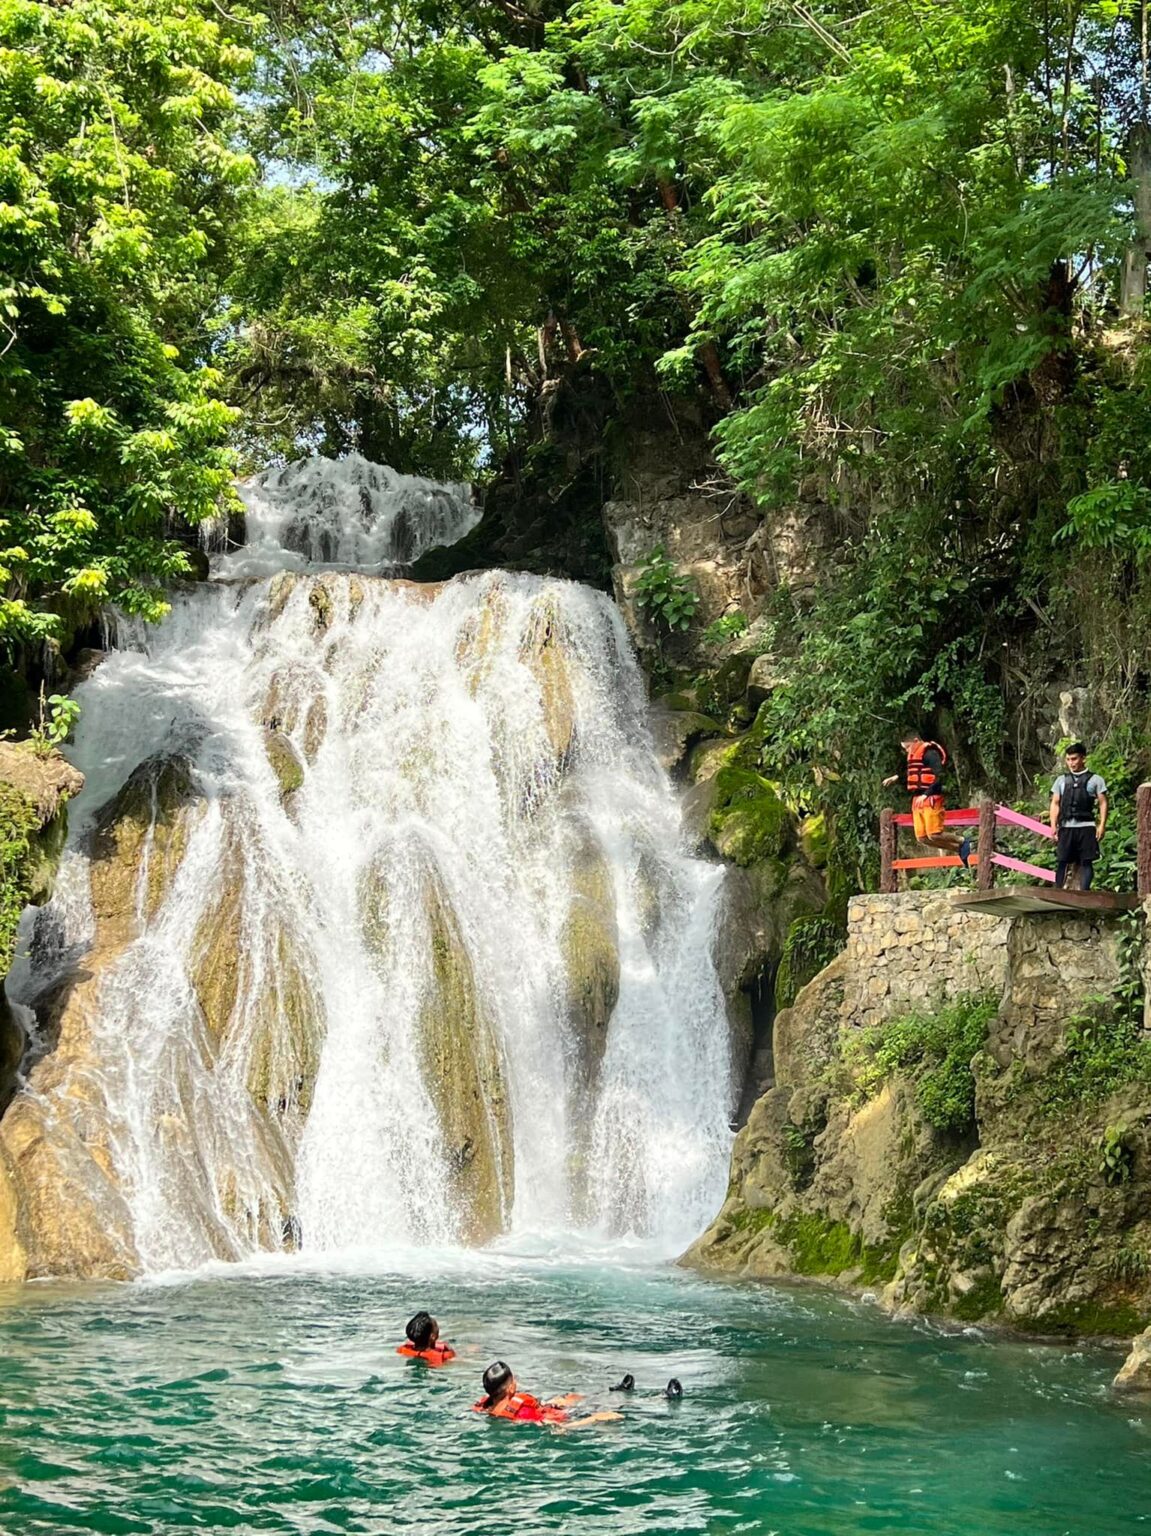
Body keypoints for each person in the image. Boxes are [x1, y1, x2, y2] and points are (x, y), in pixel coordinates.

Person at [883, 730, 972, 867]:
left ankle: (962, 840)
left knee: (934, 834)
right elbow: (915, 771)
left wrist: (926, 794)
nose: (907, 751)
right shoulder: (914, 757)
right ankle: (958, 849)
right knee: (922, 838)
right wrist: (896, 777)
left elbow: (940, 776)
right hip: (918, 800)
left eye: (907, 747)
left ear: (915, 741)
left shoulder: (930, 753)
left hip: (931, 798)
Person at [473, 1361, 622, 1429]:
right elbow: (560, 1427)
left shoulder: (486, 1406)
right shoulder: (524, 1413)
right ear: (511, 1388)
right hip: (564, 1415)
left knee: (567, 1398)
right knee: (581, 1402)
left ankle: (610, 1392)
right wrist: (595, 1418)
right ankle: (616, 1394)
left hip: (542, 1408)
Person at [1050, 743, 1108, 891]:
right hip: (1066, 826)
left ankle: (1085, 893)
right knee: (1062, 861)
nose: (1071, 763)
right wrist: (1053, 825)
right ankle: (1057, 891)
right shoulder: (1061, 780)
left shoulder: (1096, 780)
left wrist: (1101, 825)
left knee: (1086, 861)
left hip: (1086, 826)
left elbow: (1102, 803)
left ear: (1083, 759)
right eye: (1068, 759)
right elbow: (1055, 803)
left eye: (1074, 759)